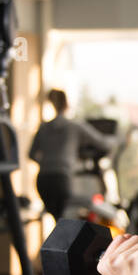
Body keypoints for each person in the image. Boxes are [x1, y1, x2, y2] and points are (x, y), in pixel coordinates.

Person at [28, 88, 117, 221]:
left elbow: (31, 154)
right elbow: (103, 142)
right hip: (61, 179)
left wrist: (48, 162)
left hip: (43, 180)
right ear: (67, 105)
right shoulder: (74, 126)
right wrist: (117, 139)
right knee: (70, 212)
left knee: (57, 219)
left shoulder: (43, 127)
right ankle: (103, 210)